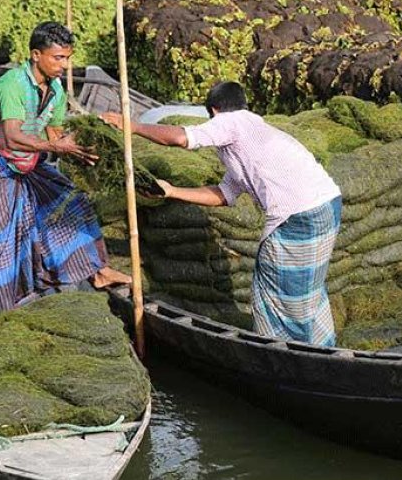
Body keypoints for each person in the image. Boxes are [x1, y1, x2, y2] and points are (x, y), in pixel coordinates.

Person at [100, 82, 343, 347]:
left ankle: (285, 355)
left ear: (214, 111)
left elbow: (183, 138)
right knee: (308, 287)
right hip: (327, 205)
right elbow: (224, 195)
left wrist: (132, 126)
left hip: (299, 215)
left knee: (274, 292)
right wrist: (171, 191)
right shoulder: (251, 137)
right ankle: (322, 348)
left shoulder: (232, 121)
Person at [0, 22, 131, 311]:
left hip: (30, 164)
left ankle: (98, 271)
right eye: (58, 58)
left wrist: (83, 150)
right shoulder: (12, 85)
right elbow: (13, 136)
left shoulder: (56, 90)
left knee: (73, 202)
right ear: (36, 54)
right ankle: (8, 312)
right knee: (6, 242)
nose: (64, 65)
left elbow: (56, 136)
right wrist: (58, 147)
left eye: (67, 58)